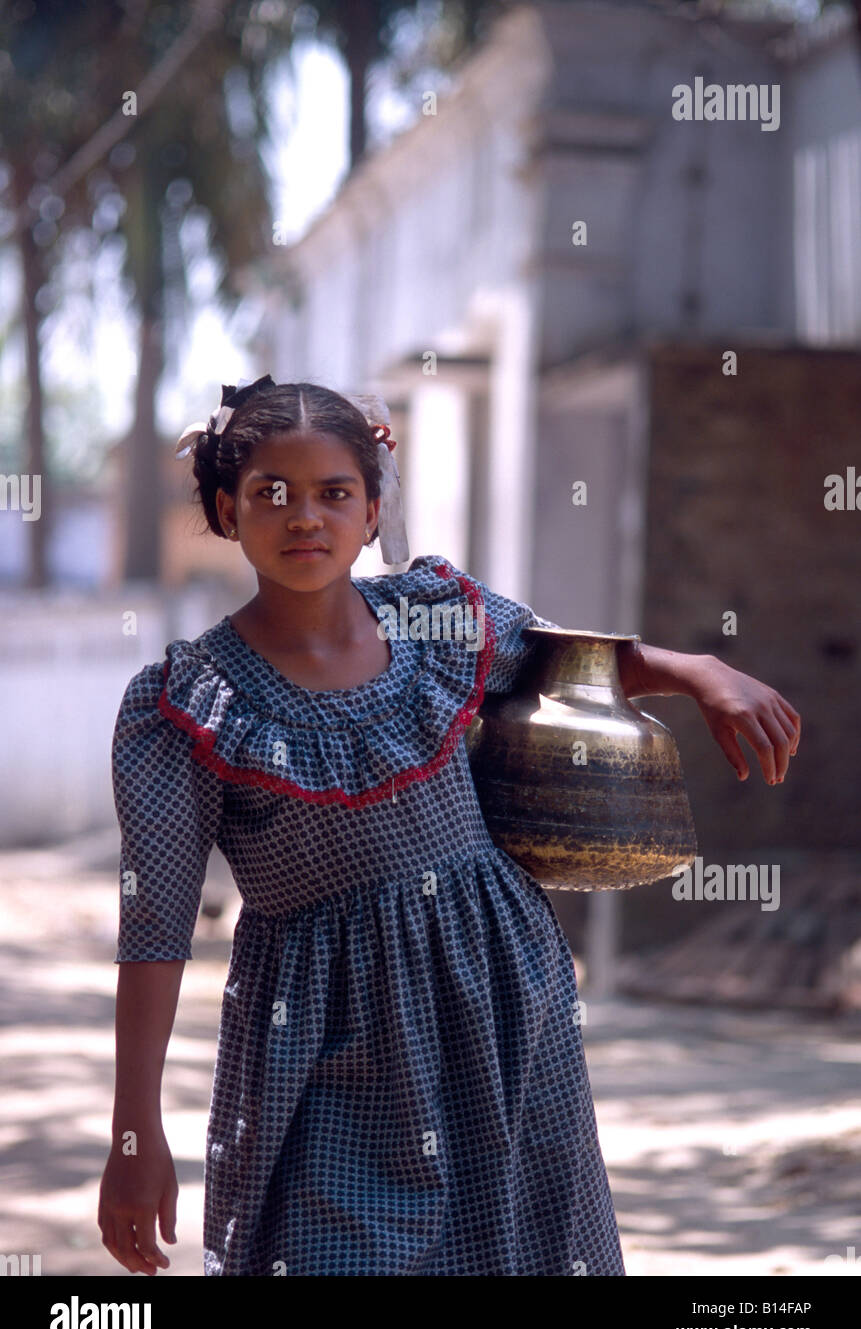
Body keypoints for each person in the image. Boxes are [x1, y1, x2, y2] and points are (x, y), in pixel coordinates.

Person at [97, 377, 801, 1277]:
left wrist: (697, 669)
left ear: (375, 506)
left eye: (333, 493)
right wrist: (132, 1132)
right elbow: (153, 924)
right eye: (271, 492)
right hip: (320, 1036)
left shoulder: (436, 620)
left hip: (500, 998)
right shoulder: (188, 702)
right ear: (226, 509)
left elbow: (560, 661)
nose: (303, 516)